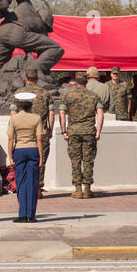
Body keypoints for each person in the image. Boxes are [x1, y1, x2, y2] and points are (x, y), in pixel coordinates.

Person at [58, 70, 104, 199]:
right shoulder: (94, 96)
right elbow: (100, 114)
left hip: (73, 132)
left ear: (75, 82)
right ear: (86, 82)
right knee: (88, 160)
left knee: (75, 161)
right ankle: (88, 189)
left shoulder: (68, 96)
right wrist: (98, 131)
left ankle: (78, 189)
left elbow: (62, 114)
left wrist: (64, 131)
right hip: (89, 131)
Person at [8, 93, 45, 222]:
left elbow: (11, 139)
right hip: (33, 148)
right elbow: (39, 138)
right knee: (33, 183)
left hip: (19, 149)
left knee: (21, 182)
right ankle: (31, 214)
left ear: (19, 105)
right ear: (31, 105)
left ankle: (22, 214)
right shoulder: (36, 118)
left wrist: (10, 157)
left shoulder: (14, 119)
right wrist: (41, 157)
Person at [19, 67, 56, 190]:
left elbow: (13, 113)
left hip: (23, 133)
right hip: (42, 131)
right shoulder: (45, 93)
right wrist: (50, 129)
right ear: (37, 78)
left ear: (26, 79)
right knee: (41, 159)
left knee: (23, 161)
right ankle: (38, 188)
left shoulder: (20, 93)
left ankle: (26, 186)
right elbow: (51, 113)